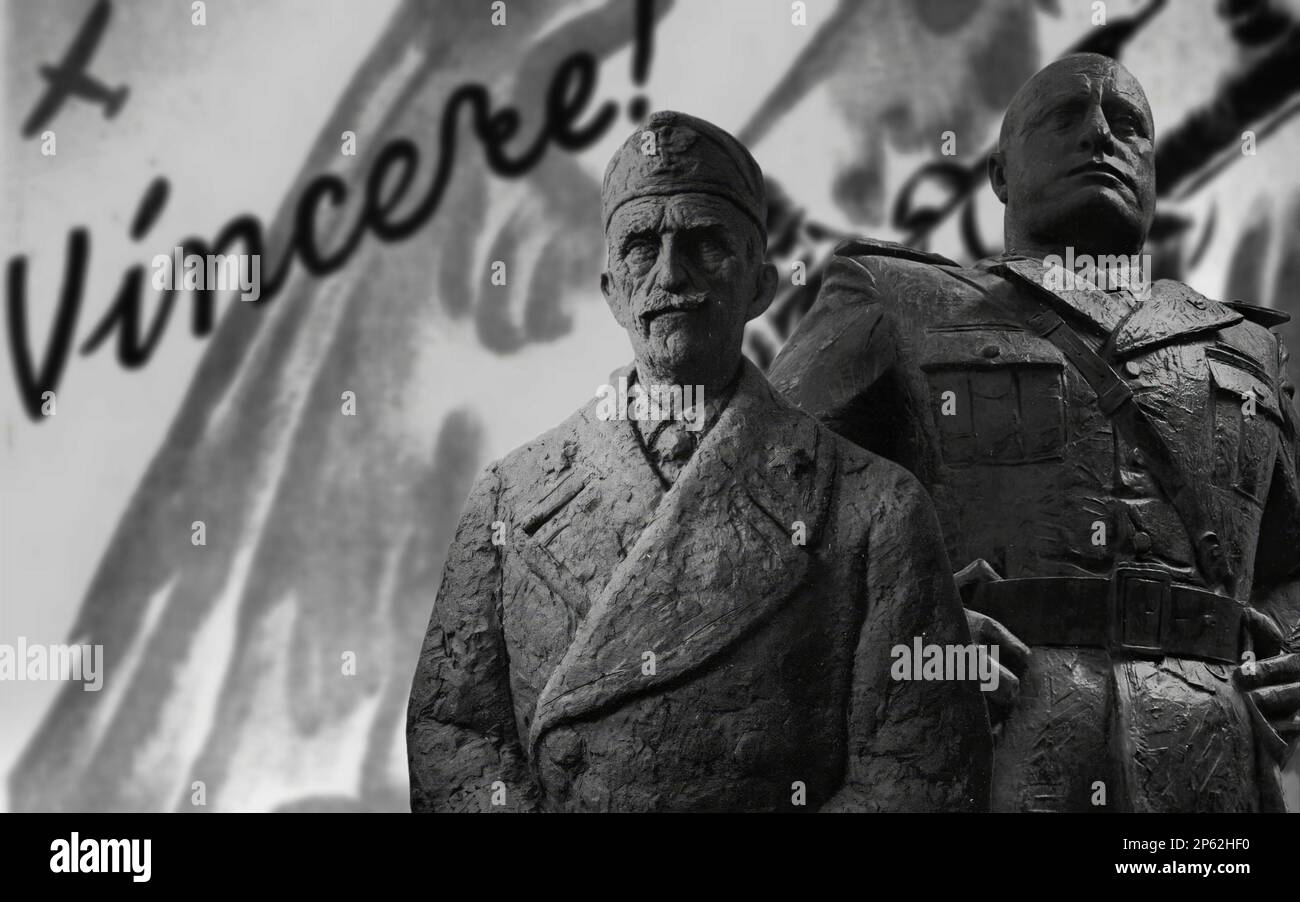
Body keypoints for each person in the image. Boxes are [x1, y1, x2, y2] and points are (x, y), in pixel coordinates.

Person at [407, 110, 991, 812]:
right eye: (640, 246)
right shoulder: (510, 499)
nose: (670, 274)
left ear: (760, 286)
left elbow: (916, 774)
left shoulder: (874, 508)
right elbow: (452, 732)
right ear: (612, 293)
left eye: (705, 243)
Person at [771, 53, 1300, 812]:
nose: (1098, 135)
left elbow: (1288, 562)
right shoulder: (896, 301)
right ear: (998, 174)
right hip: (990, 746)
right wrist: (905, 637)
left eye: (1128, 125)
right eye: (1064, 118)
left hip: (1208, 771)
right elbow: (764, 513)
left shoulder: (1245, 344)